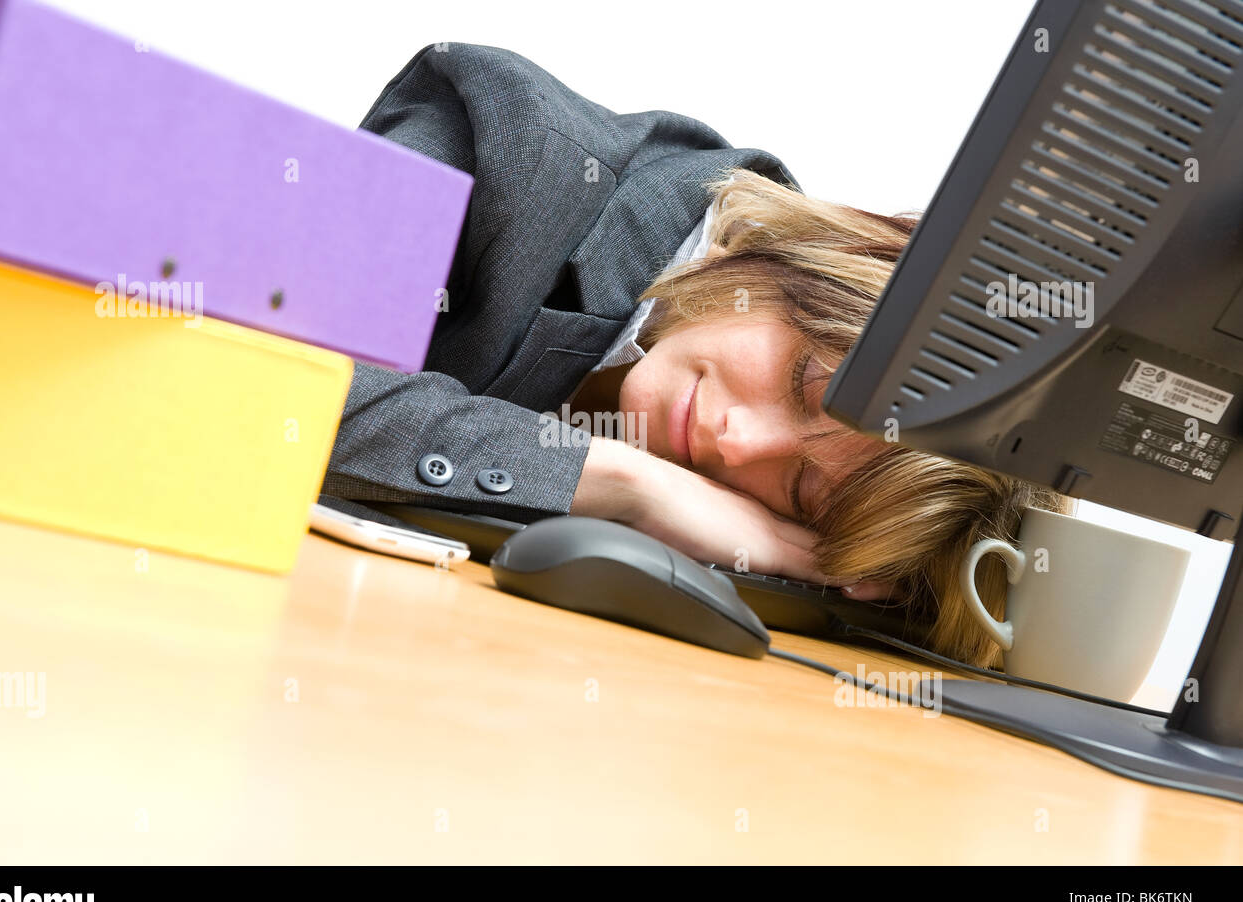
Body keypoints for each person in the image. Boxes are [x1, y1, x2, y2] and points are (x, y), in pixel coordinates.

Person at [322, 42, 1069, 669]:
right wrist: (620, 482)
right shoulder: (500, 138)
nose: (737, 442)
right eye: (805, 383)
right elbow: (260, 389)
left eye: (802, 493)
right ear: (825, 259)